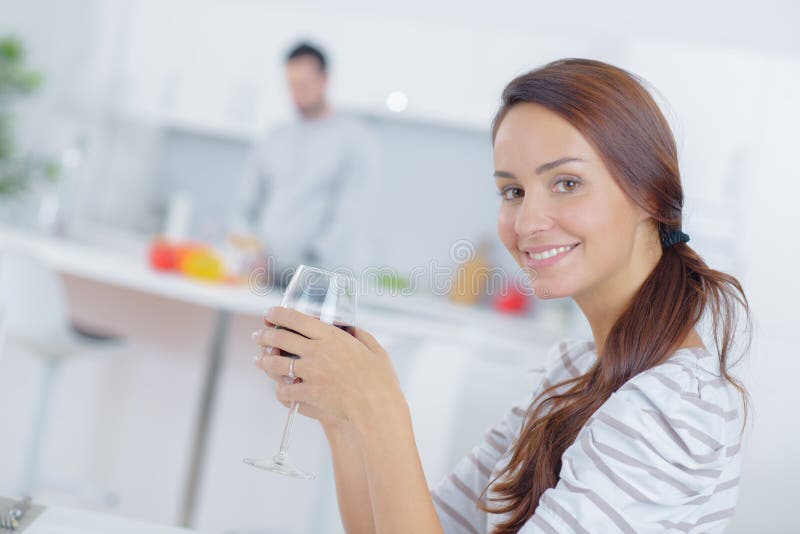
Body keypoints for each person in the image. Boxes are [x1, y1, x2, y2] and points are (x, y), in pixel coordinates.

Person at [253, 58, 751, 533]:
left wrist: (381, 408)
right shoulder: (575, 371)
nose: (528, 222)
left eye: (567, 182)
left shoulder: (671, 405)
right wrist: (346, 420)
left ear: (650, 195)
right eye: (513, 191)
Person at [234, 41, 379, 283]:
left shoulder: (354, 140)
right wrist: (252, 251)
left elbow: (349, 216)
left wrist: (310, 267)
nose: (296, 94)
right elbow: (245, 205)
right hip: (265, 274)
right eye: (291, 86)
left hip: (317, 280)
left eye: (303, 85)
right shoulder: (274, 137)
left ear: (324, 80)